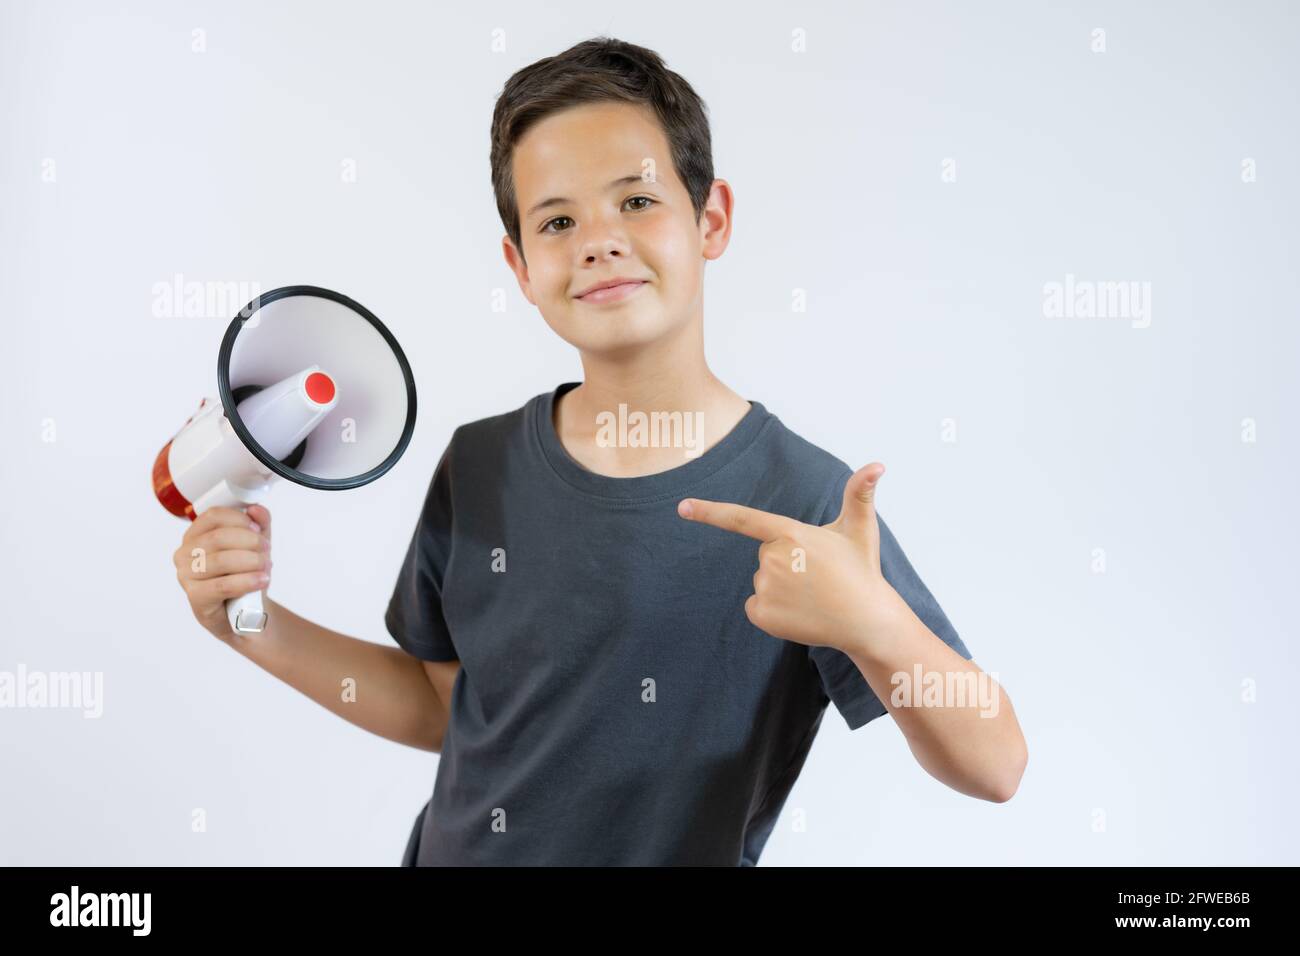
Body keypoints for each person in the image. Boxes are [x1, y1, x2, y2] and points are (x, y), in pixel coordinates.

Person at [172, 36, 1027, 866]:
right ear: (520, 265)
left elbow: (996, 767)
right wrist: (247, 621)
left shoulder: (803, 502)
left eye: (638, 199)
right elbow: (447, 710)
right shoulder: (479, 467)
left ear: (711, 218)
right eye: (556, 219)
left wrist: (873, 624)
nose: (597, 239)